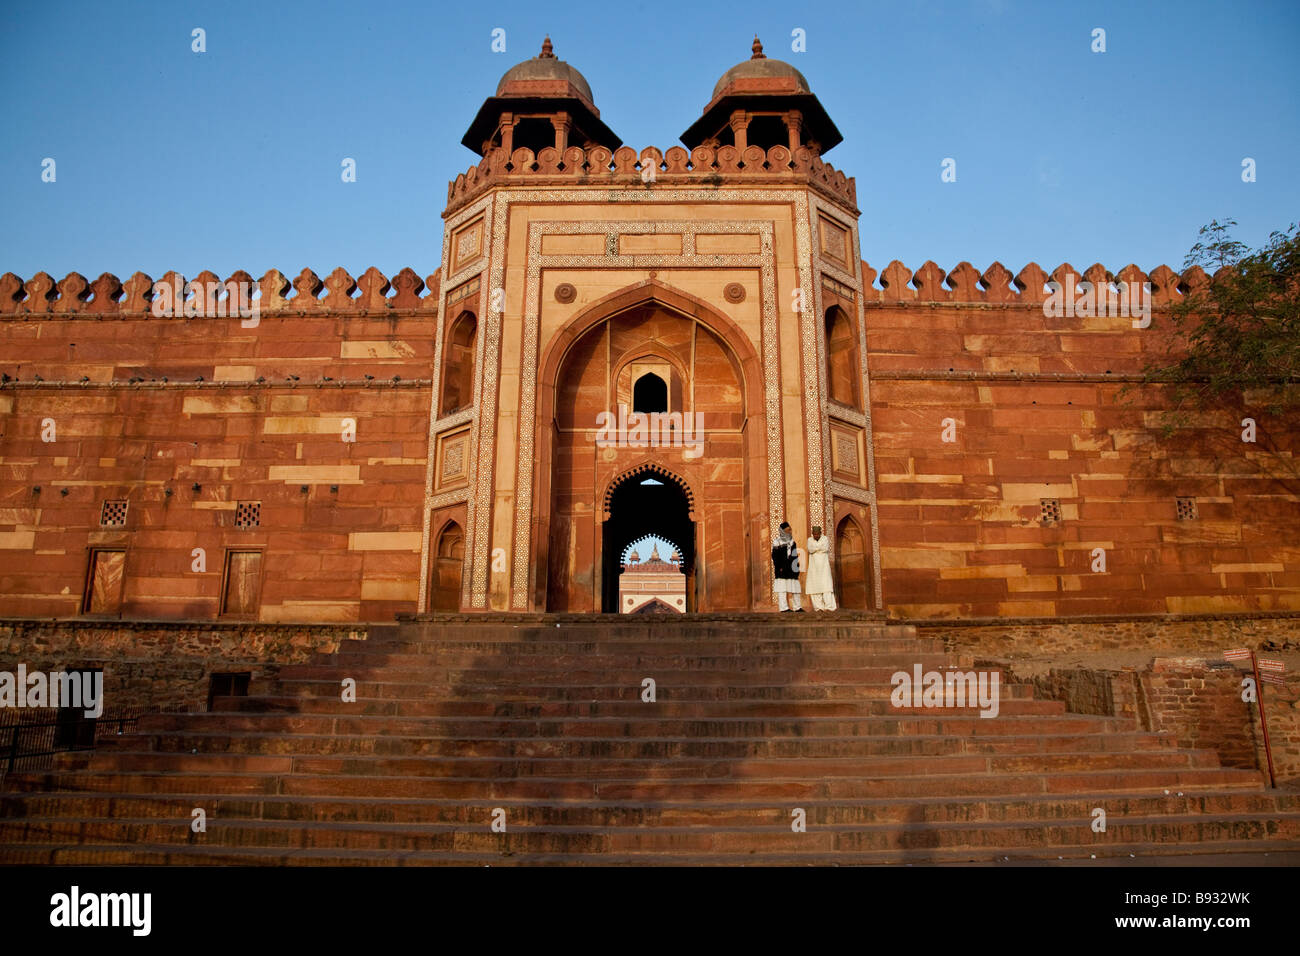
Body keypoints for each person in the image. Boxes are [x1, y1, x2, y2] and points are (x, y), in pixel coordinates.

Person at [771, 521, 804, 612]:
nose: (789, 532)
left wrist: (796, 567)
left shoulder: (792, 542)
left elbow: (794, 555)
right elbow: (774, 556)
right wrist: (779, 567)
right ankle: (784, 608)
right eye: (787, 530)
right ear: (782, 531)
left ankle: (797, 607)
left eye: (790, 530)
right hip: (781, 569)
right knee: (782, 589)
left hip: (791, 568)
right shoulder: (777, 542)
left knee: (795, 588)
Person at [805, 525, 837, 611]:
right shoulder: (809, 540)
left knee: (826, 586)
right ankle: (818, 608)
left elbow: (825, 548)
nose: (816, 536)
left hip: (824, 567)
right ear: (812, 534)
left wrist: (816, 549)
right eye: (814, 534)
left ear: (820, 533)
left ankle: (829, 607)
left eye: (817, 534)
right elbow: (810, 549)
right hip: (814, 568)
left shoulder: (825, 539)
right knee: (815, 587)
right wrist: (819, 548)